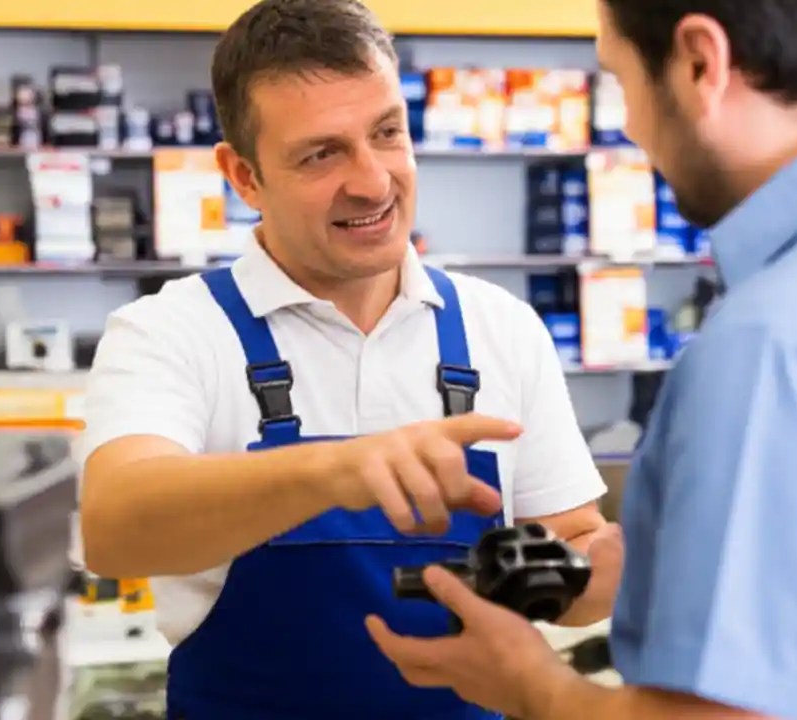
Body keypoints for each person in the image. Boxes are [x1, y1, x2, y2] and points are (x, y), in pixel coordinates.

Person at [370, 0, 797, 719]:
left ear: (701, 63)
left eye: (622, 82)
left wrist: (532, 686)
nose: (632, 127)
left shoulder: (778, 344)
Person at [76, 1, 621, 717]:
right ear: (242, 176)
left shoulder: (503, 329)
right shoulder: (170, 331)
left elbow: (576, 550)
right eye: (321, 153)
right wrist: (336, 469)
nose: (373, 182)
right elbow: (115, 526)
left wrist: (606, 573)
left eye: (387, 133)